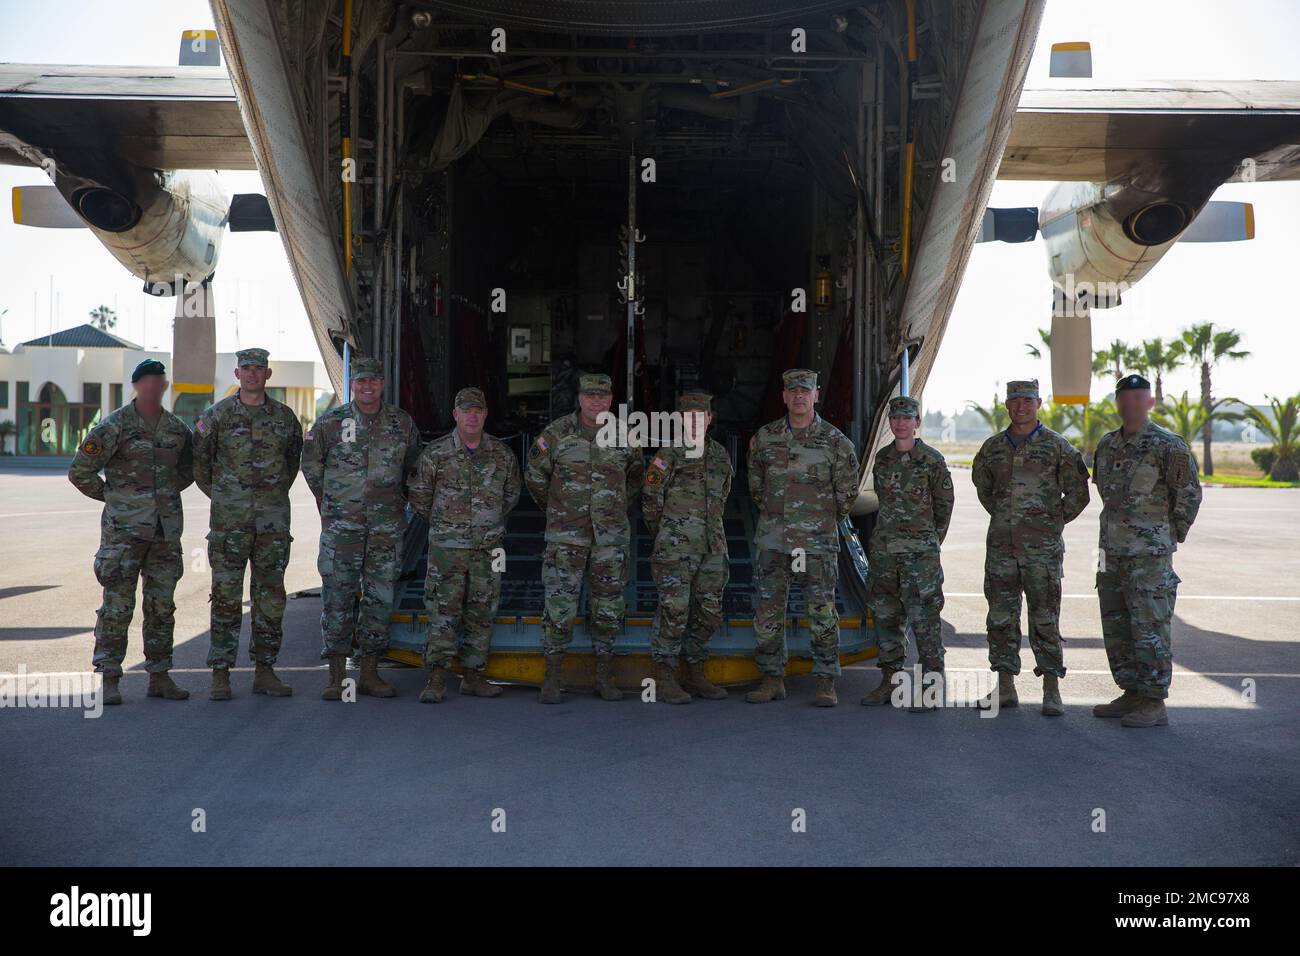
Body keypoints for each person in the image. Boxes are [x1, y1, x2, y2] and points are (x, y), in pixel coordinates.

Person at [68, 359, 194, 704]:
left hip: (165, 534)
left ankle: (160, 676)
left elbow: (188, 472)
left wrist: (162, 496)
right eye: (147, 381)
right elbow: (80, 471)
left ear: (165, 386)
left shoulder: (177, 430)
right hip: (123, 535)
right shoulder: (114, 427)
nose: (154, 386)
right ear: (136, 385)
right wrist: (115, 497)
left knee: (161, 607)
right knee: (117, 607)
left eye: (159, 381)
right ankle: (109, 679)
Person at [301, 355, 422, 700]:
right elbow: (311, 467)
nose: (367, 387)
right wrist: (328, 506)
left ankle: (369, 673)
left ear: (382, 384)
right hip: (343, 530)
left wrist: (401, 504)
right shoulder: (331, 423)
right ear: (352, 384)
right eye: (360, 381)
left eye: (373, 381)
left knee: (379, 599)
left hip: (385, 528)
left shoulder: (401, 424)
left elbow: (413, 467)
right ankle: (337, 676)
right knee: (337, 598)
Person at [970, 379, 1090, 716]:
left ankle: (1051, 689)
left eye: (1027, 400)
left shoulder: (1058, 447)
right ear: (1007, 406)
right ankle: (1005, 686)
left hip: (1042, 550)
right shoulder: (992, 448)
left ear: (1039, 404)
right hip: (1002, 549)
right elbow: (985, 489)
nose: (1020, 407)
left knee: (1045, 618)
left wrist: (1051, 524)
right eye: (1014, 401)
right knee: (1001, 618)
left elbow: (1079, 493)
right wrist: (1006, 518)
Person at [525, 372, 644, 703]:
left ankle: (604, 677)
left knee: (608, 608)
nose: (596, 402)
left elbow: (635, 477)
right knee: (559, 606)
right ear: (579, 398)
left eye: (603, 397)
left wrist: (613, 508)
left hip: (610, 539)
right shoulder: (557, 434)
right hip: (566, 537)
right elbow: (535, 476)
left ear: (610, 399)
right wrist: (558, 509)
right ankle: (552, 678)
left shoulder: (625, 436)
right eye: (590, 396)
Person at [1091, 374, 1202, 728]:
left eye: (1138, 398)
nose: (1130, 405)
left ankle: (1154, 701)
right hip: (1110, 553)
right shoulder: (1107, 445)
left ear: (1149, 403)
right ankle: (1131, 692)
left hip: (1149, 557)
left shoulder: (1167, 445)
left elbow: (1189, 494)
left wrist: (1167, 537)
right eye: (1125, 398)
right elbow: (1105, 495)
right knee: (1117, 625)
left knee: (1149, 626)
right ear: (1117, 403)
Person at [193, 347, 303, 700]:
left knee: (270, 599)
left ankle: (265, 670)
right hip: (230, 525)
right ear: (237, 375)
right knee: (225, 598)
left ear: (268, 375)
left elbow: (291, 464)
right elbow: (200, 467)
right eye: (246, 369)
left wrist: (267, 498)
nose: (253, 373)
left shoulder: (285, 419)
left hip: (272, 525)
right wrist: (228, 498)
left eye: (259, 368)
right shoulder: (216, 416)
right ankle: (221, 673)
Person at [746, 368, 859, 706]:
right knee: (768, 611)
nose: (798, 396)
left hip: (817, 542)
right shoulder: (765, 438)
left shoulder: (837, 442)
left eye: (804, 391)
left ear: (816, 395)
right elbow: (756, 487)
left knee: (822, 611)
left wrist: (819, 520)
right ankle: (771, 678)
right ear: (783, 396)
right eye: (792, 391)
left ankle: (825, 681)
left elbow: (847, 494)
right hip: (774, 540)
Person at [407, 386, 521, 703]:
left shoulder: (502, 455)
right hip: (447, 548)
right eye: (466, 411)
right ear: (455, 415)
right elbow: (419, 497)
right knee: (443, 611)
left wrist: (485, 523)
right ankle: (437, 677)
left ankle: (473, 676)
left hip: (489, 548)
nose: (472, 416)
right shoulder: (436, 454)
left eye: (478, 410)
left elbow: (510, 496)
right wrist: (448, 525)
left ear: (485, 414)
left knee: (482, 610)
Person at [861, 395, 953, 712]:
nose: (901, 423)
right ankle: (890, 682)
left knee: (924, 620)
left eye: (907, 418)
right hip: (886, 554)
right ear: (891, 423)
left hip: (919, 558)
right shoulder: (883, 460)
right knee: (886, 617)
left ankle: (932, 688)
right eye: (896, 418)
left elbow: (944, 507)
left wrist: (928, 541)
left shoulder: (932, 461)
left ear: (917, 422)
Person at [642, 391, 732, 703]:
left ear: (709, 419)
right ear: (680, 419)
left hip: (712, 547)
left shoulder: (720, 455)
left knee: (709, 611)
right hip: (675, 548)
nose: (695, 421)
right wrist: (668, 532)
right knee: (674, 610)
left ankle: (695, 673)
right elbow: (650, 501)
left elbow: (724, 495)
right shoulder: (668, 455)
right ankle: (665, 676)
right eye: (689, 416)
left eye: (701, 416)